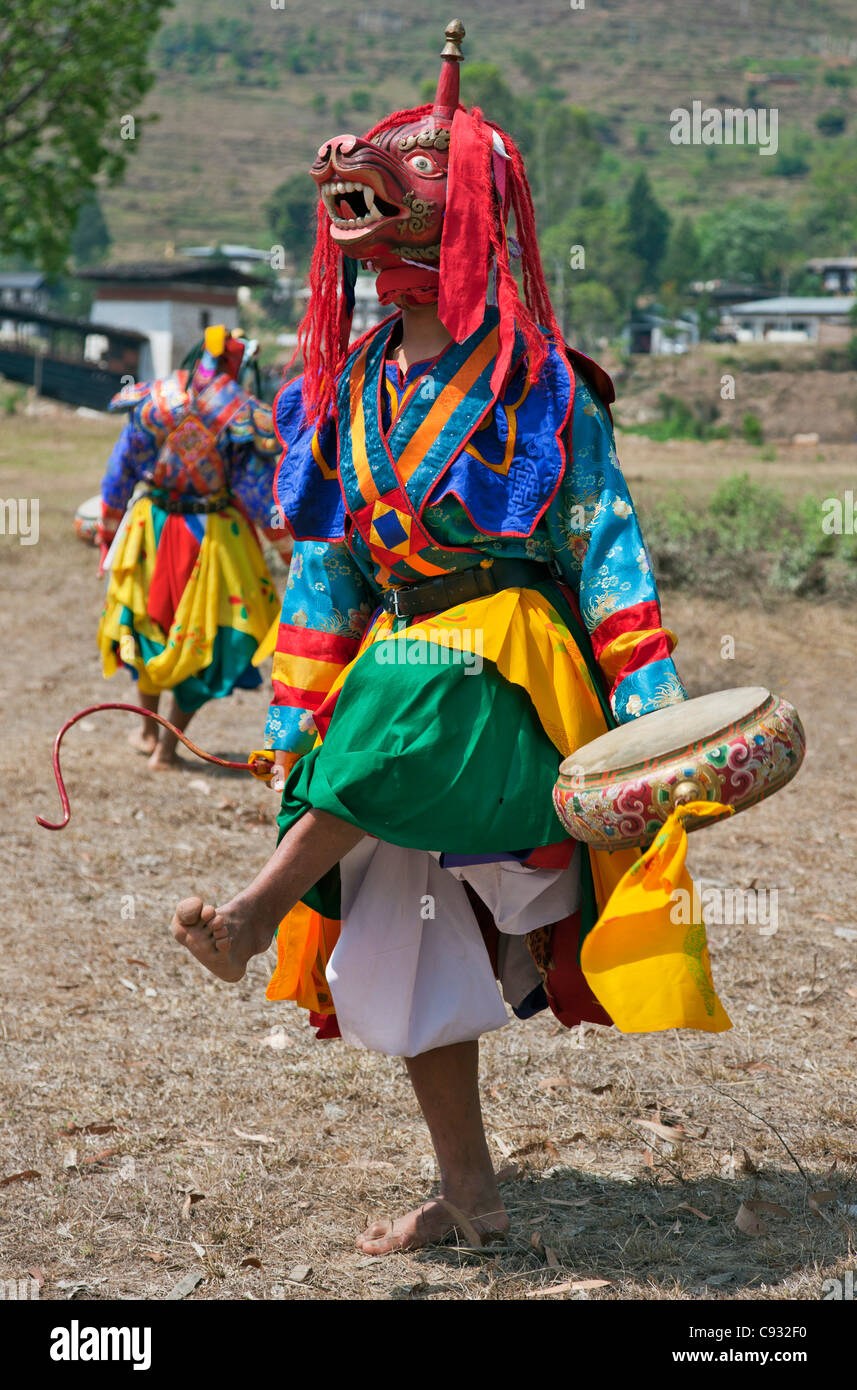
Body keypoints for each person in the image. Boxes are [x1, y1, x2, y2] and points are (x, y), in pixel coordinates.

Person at [170, 21, 729, 1253]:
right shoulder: (341, 393)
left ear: (457, 216)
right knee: (405, 948)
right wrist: (285, 728)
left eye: (399, 194)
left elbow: (608, 551)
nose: (361, 223)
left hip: (510, 676)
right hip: (397, 690)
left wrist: (658, 729)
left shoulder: (540, 385)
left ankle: (255, 912)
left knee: (422, 688)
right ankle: (469, 1194)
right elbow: (327, 581)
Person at [97, 326, 292, 768]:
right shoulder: (242, 414)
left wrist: (108, 531)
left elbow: (120, 469)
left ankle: (147, 732)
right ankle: (165, 748)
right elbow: (261, 494)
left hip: (152, 527)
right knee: (204, 637)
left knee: (146, 626)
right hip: (212, 537)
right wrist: (288, 551)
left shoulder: (155, 399)